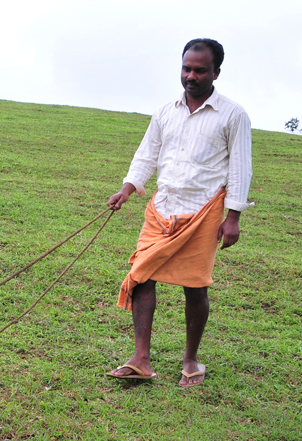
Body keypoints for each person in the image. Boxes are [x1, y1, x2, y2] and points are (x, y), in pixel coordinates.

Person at [106, 38, 252, 387]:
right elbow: (147, 154)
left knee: (195, 288)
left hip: (204, 213)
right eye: (186, 68)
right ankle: (141, 359)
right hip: (162, 208)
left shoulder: (233, 115)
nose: (191, 76)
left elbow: (240, 167)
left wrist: (233, 217)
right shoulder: (165, 112)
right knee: (142, 276)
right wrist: (127, 188)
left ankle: (190, 359)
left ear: (216, 72)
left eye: (200, 70)